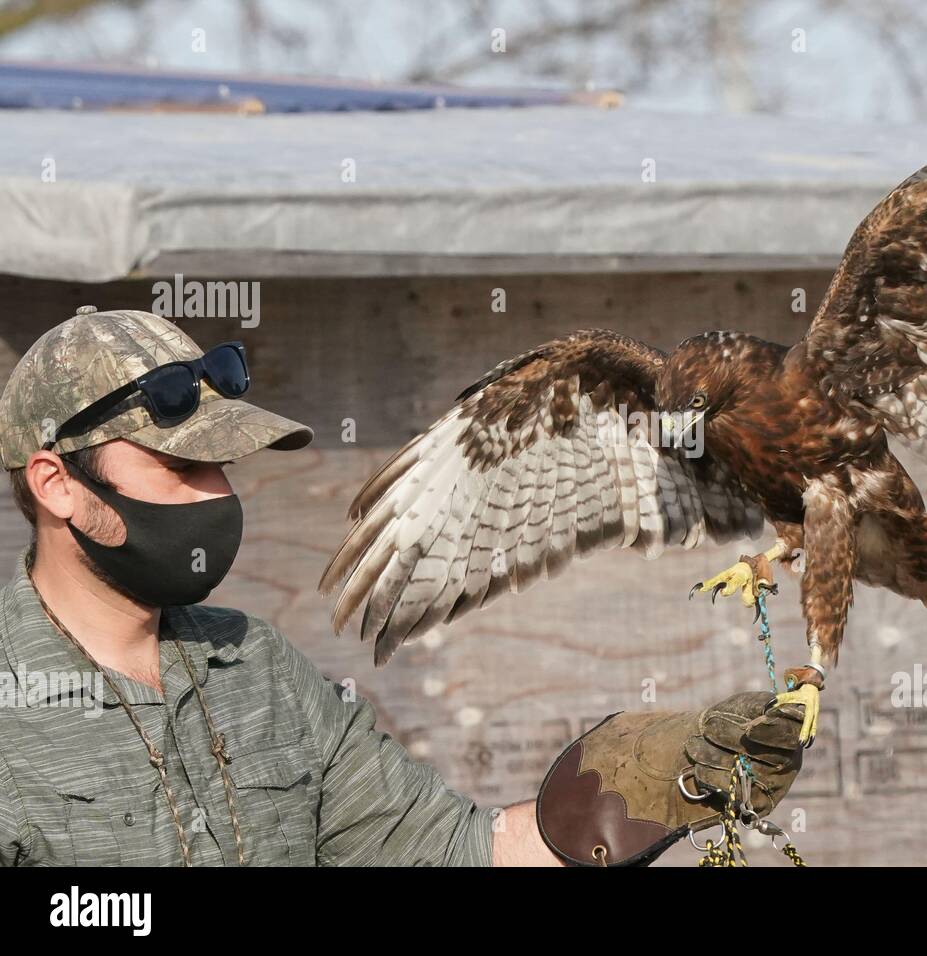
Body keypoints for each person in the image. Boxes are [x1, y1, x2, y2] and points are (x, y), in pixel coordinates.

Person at [0, 307, 803, 866]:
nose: (216, 495)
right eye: (180, 468)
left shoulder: (259, 670)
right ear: (56, 484)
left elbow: (450, 854)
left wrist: (646, 782)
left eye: (224, 466)